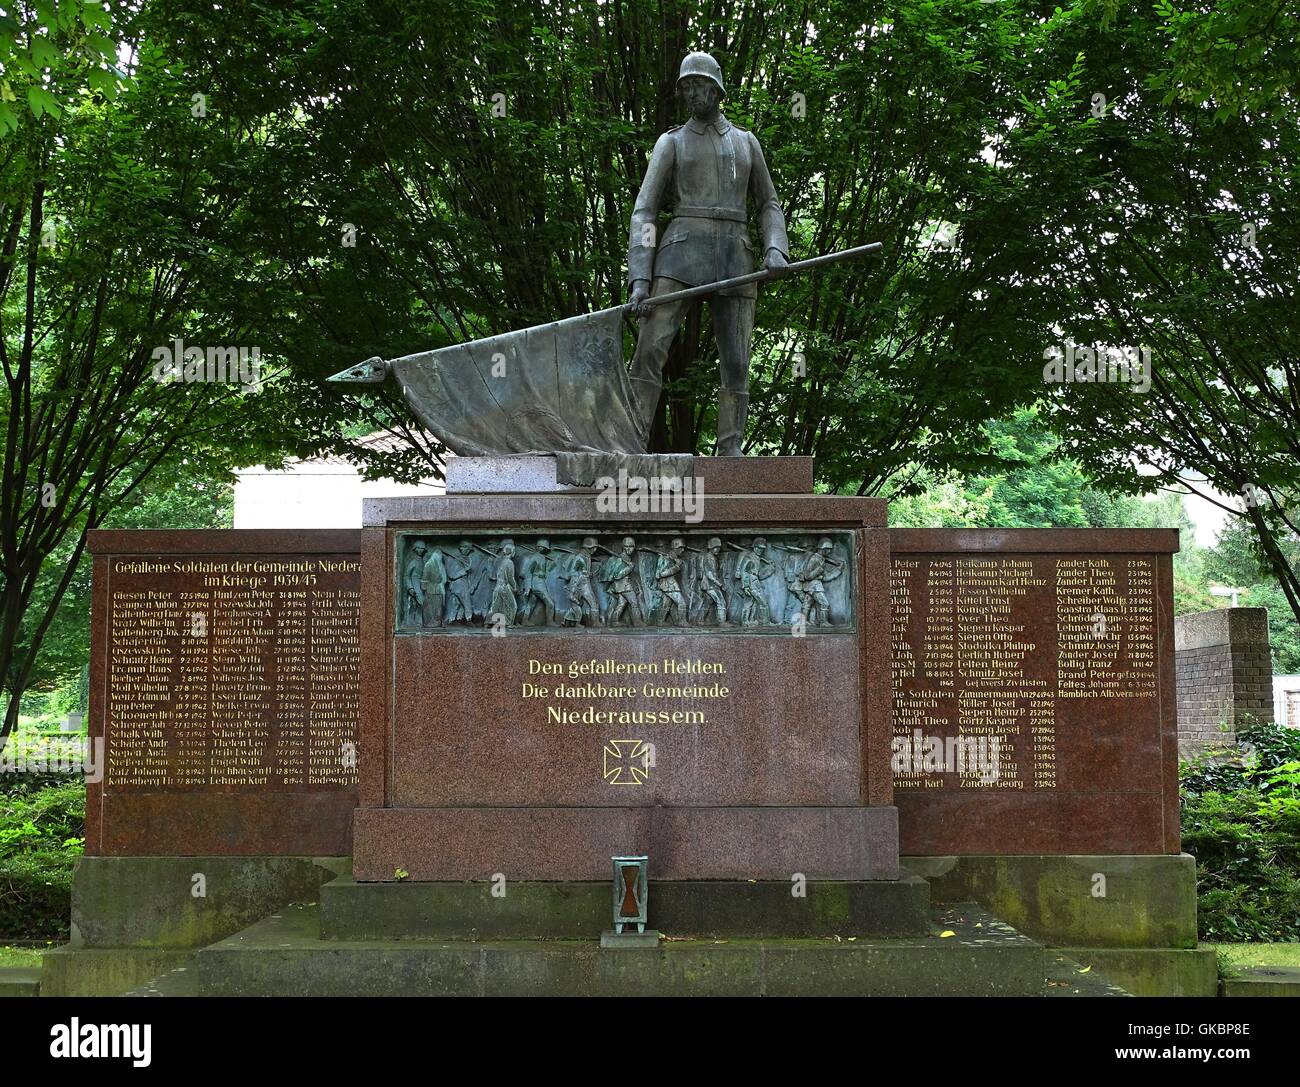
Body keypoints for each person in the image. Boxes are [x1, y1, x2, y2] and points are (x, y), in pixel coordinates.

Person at [626, 51, 790, 456]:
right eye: (685, 86)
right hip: (679, 255)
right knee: (649, 351)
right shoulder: (671, 142)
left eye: (698, 85)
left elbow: (768, 204)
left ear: (717, 90)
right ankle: (628, 443)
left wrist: (775, 248)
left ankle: (729, 450)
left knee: (736, 362)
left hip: (736, 254)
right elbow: (645, 211)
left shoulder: (746, 143)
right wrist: (641, 278)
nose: (691, 93)